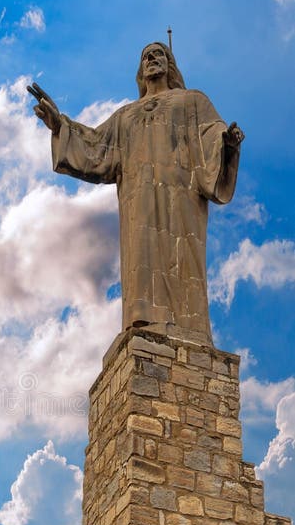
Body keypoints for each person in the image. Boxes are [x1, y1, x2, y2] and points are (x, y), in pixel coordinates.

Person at [29, 42, 244, 343]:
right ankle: (143, 321)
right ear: (140, 72)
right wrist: (59, 125)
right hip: (138, 203)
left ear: (170, 65)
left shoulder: (191, 101)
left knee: (184, 258)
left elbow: (212, 135)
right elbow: (94, 146)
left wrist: (228, 145)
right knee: (141, 259)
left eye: (159, 55)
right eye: (146, 57)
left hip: (181, 199)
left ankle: (190, 329)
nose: (152, 59)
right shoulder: (125, 117)